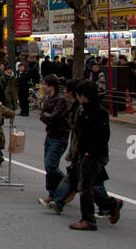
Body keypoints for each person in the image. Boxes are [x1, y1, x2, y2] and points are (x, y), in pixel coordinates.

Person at [68, 80, 122, 231]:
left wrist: (89, 152)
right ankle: (112, 204)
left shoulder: (98, 111)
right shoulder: (83, 108)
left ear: (84, 95)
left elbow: (103, 136)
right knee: (85, 184)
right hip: (83, 151)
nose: (78, 98)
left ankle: (88, 219)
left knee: (85, 186)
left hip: (93, 154)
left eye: (79, 95)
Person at [37, 75, 72, 210]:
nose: (43, 86)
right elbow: (43, 115)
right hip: (50, 134)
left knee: (51, 165)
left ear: (51, 86)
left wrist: (46, 116)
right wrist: (46, 116)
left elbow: (54, 117)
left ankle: (67, 185)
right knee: (48, 166)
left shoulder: (61, 100)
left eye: (44, 84)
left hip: (59, 135)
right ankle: (53, 192)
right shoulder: (47, 98)